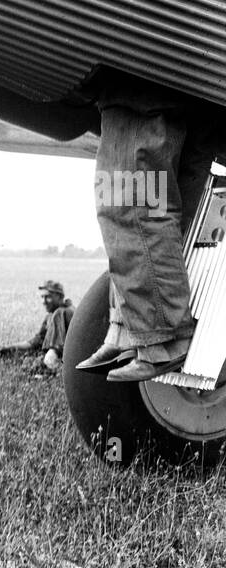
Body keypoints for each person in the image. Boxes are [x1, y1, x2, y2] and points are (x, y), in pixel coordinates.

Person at [76, 79, 221, 381]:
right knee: (165, 206)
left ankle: (161, 339)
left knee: (127, 200)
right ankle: (130, 332)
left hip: (143, 85)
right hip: (193, 84)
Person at [0, 281, 74, 377]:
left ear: (60, 297)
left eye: (48, 297)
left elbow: (57, 348)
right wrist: (9, 347)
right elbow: (35, 342)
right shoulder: (51, 315)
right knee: (14, 355)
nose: (44, 301)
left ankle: (50, 373)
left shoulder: (63, 312)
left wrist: (47, 362)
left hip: (66, 359)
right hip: (58, 357)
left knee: (33, 363)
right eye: (42, 297)